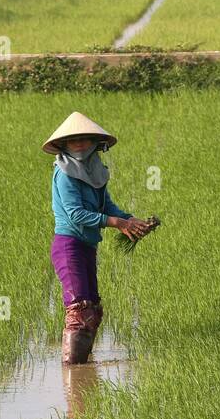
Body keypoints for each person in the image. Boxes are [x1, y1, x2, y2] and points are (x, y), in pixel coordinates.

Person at [42, 112, 152, 364]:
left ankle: (84, 370)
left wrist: (129, 220)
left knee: (92, 309)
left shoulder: (95, 171)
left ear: (94, 143)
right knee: (79, 309)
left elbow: (106, 206)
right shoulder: (65, 173)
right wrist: (116, 223)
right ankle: (72, 373)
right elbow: (75, 213)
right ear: (64, 145)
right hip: (68, 245)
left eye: (84, 139)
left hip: (87, 245)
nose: (79, 144)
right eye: (73, 140)